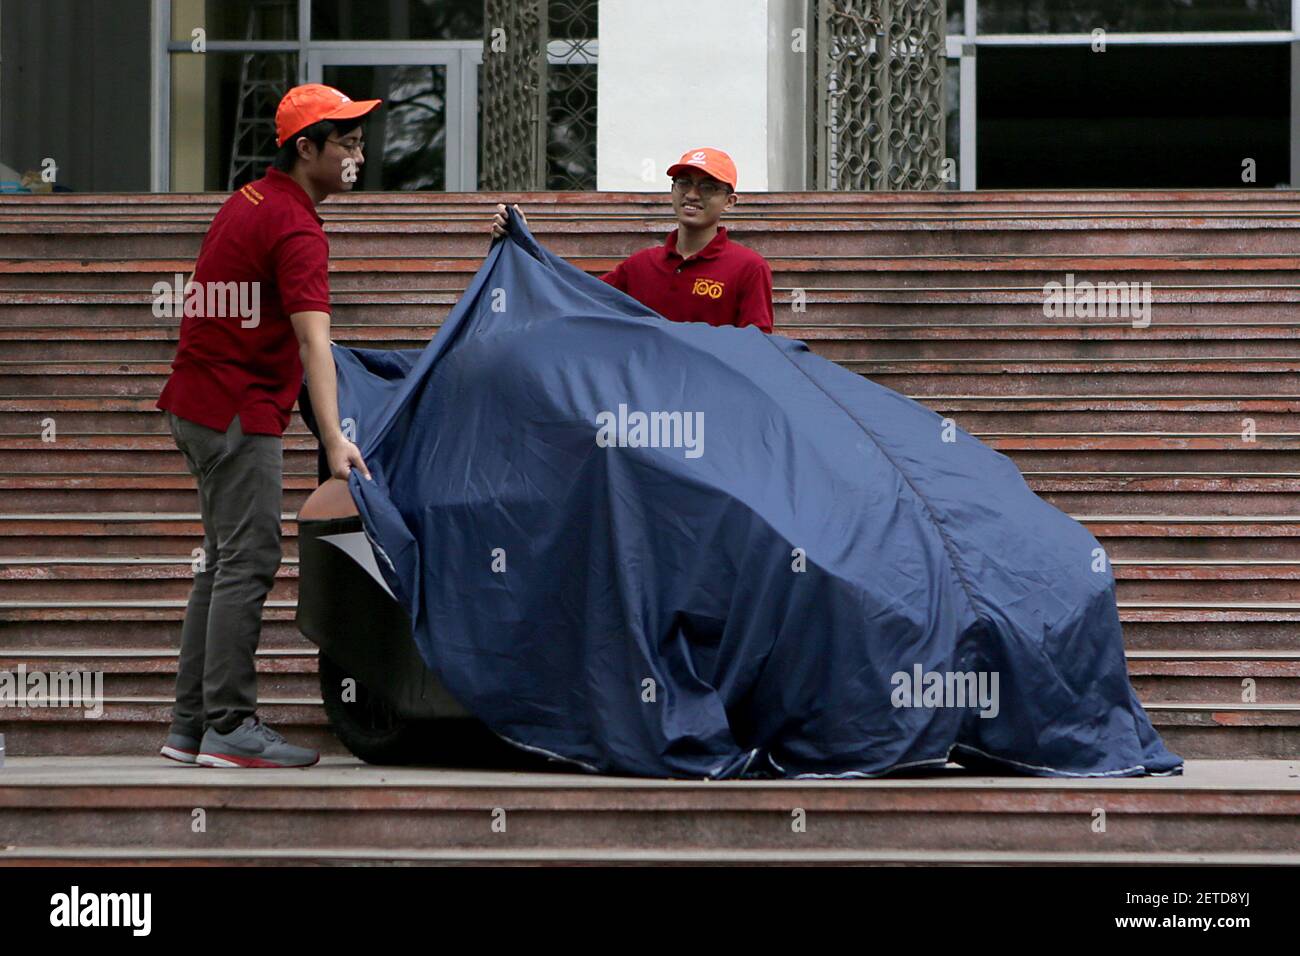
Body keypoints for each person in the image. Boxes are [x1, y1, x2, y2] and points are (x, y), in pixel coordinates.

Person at [155, 84, 380, 768]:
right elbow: (316, 343)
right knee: (248, 562)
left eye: (361, 143)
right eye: (345, 144)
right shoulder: (294, 227)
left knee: (222, 565)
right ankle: (229, 724)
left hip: (199, 403)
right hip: (233, 411)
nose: (358, 157)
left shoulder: (249, 201)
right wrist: (336, 438)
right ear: (304, 149)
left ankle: (190, 726)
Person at [491, 147, 774, 332]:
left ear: (730, 201)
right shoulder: (641, 267)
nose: (692, 194)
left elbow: (758, 350)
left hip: (711, 406)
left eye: (708, 187)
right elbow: (577, 297)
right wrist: (525, 247)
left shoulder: (748, 268)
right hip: (645, 405)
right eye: (684, 183)